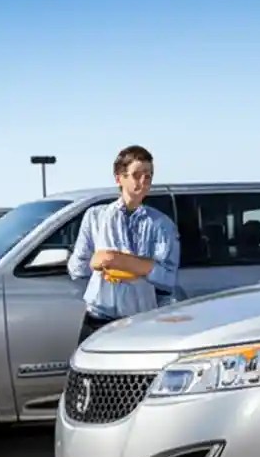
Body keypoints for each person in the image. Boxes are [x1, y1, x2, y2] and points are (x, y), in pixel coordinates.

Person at [68, 145, 180, 340]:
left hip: (141, 319)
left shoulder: (161, 224)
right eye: (137, 174)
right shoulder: (95, 217)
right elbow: (78, 269)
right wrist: (97, 263)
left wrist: (120, 261)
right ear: (119, 178)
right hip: (98, 318)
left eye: (149, 175)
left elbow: (168, 278)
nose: (144, 181)